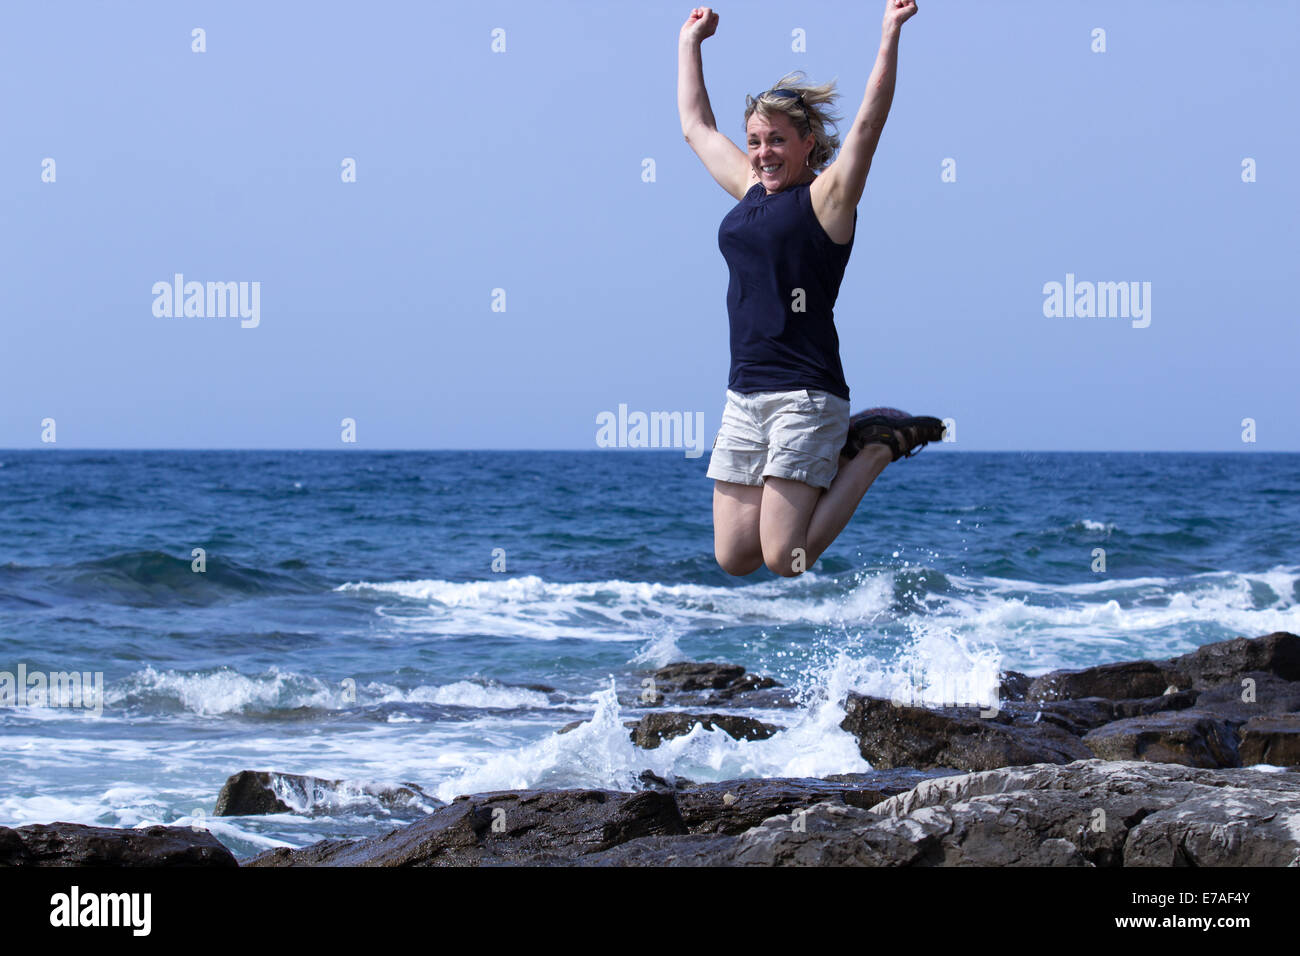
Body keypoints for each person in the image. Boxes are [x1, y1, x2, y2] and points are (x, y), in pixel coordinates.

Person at [677, 0, 943, 580]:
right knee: (734, 557)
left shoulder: (827, 201)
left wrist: (889, 33)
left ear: (806, 144)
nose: (763, 152)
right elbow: (695, 127)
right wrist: (690, 44)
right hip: (745, 394)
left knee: (786, 558)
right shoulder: (750, 191)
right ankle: (859, 446)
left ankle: (874, 448)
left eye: (776, 140)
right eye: (754, 140)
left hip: (805, 394)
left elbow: (870, 123)